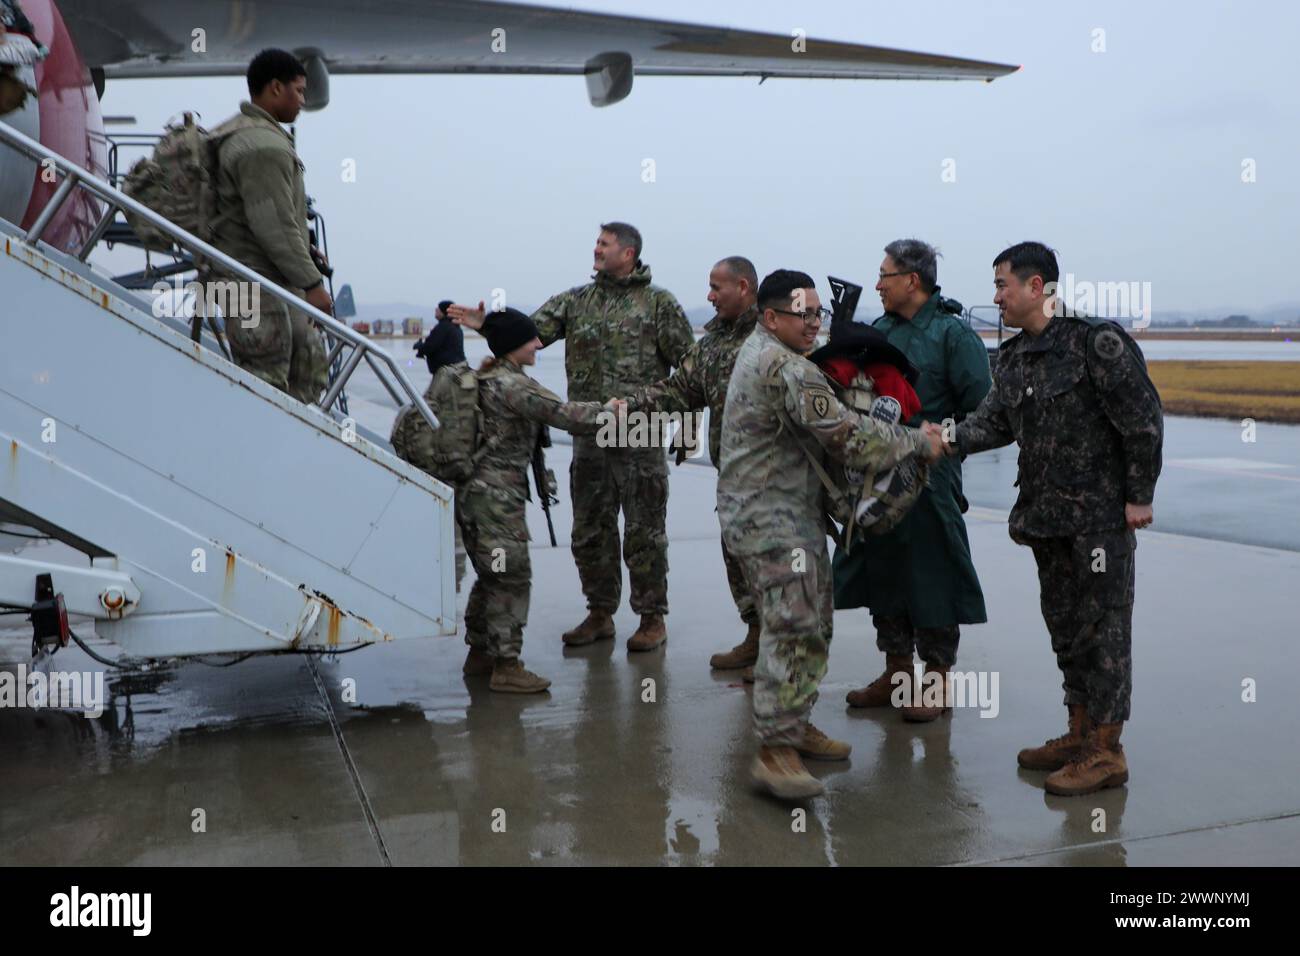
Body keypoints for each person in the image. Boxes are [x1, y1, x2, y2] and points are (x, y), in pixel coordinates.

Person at [942, 241, 1162, 795]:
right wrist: (940, 439)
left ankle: (1107, 752)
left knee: (1105, 631)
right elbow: (992, 425)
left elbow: (1144, 421)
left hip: (1099, 524)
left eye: (1002, 286)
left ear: (1036, 287)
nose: (996, 297)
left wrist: (1139, 496)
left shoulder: (1096, 343)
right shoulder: (1016, 357)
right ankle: (1080, 732)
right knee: (1066, 631)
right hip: (1046, 522)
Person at [717, 269, 943, 800]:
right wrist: (916, 441)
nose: (815, 323)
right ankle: (776, 752)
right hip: (773, 522)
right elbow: (848, 436)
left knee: (812, 622)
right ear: (771, 317)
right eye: (804, 315)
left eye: (818, 313)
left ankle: (794, 725)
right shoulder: (785, 367)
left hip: (782, 514)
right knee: (793, 630)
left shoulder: (766, 352)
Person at [451, 223, 694, 652]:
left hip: (641, 432)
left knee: (644, 531)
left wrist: (687, 429)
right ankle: (600, 613)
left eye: (604, 244)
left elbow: (689, 373)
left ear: (629, 253)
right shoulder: (576, 300)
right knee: (590, 531)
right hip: (589, 433)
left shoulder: (659, 304)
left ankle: (652, 618)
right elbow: (528, 336)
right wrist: (485, 325)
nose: (596, 250)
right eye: (597, 243)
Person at [835, 239, 992, 721]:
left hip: (930, 475)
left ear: (912, 280)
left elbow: (985, 406)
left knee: (934, 571)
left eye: (885, 275)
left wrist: (941, 441)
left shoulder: (951, 335)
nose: (877, 284)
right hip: (877, 471)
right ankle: (897, 672)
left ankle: (938, 679)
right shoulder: (876, 332)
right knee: (882, 569)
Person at [459, 307, 625, 693]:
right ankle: (507, 665)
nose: (538, 343)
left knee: (490, 575)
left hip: (475, 495)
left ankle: (480, 655)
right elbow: (563, 414)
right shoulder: (515, 386)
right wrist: (610, 411)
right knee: (511, 577)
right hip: (497, 500)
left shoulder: (486, 376)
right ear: (514, 344)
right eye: (531, 338)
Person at [623, 256, 762, 673]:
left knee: (772, 569)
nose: (709, 295)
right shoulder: (715, 341)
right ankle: (756, 637)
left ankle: (779, 656)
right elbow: (680, 390)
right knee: (737, 560)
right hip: (732, 474)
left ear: (743, 286)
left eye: (716, 287)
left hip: (775, 480)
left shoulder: (770, 335)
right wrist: (626, 407)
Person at [209, 48, 331, 404]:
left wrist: (305, 255)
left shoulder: (240, 132)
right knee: (270, 394)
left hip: (248, 285)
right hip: (258, 289)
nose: (302, 100)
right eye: (299, 90)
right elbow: (274, 227)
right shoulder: (263, 146)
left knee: (276, 386)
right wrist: (312, 284)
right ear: (275, 88)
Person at [391, 300, 470, 588]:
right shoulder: (455, 330)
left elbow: (432, 347)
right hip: (452, 378)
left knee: (430, 415)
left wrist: (420, 348)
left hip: (445, 379)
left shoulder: (444, 328)